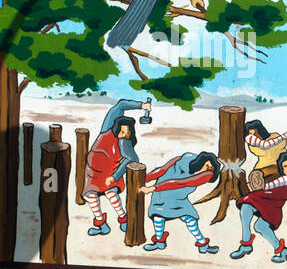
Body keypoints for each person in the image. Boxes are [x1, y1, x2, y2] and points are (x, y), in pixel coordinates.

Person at [82, 98, 148, 235]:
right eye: (122, 131)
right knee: (90, 196)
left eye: (127, 133)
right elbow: (121, 105)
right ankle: (102, 225)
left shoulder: (124, 143)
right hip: (92, 173)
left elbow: (132, 158)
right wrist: (142, 105)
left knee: (111, 194)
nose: (124, 135)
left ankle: (123, 219)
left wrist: (114, 177)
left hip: (108, 174)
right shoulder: (107, 129)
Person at [231, 151, 287, 263]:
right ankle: (248, 244)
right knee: (249, 211)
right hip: (268, 202)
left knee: (258, 222)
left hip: (273, 205)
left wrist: (263, 186)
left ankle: (250, 245)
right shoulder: (286, 179)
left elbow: (282, 182)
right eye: (286, 166)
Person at [138, 152, 221, 254]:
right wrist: (143, 179)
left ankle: (203, 245)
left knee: (191, 219)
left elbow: (181, 183)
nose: (205, 170)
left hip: (179, 199)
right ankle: (159, 243)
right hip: (162, 195)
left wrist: (152, 188)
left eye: (209, 169)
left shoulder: (204, 176)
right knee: (158, 217)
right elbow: (162, 170)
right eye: (206, 166)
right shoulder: (181, 160)